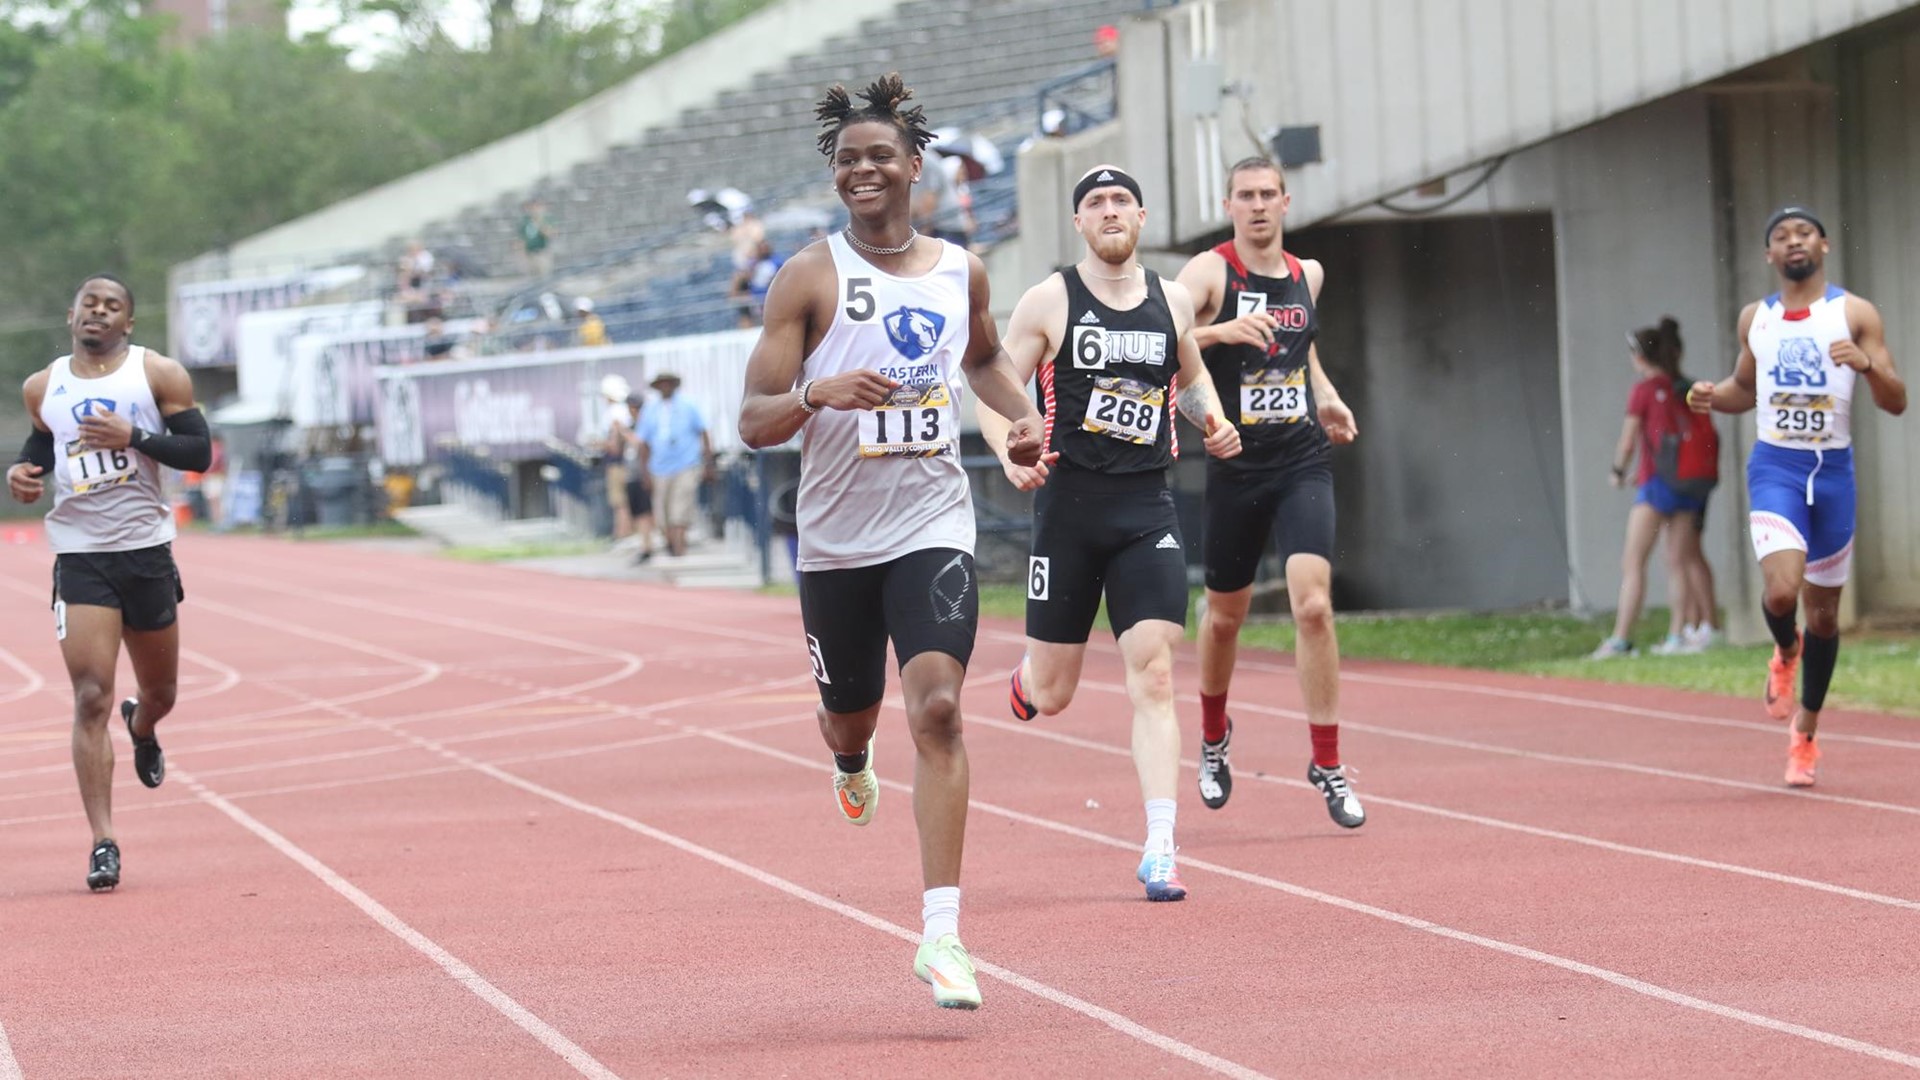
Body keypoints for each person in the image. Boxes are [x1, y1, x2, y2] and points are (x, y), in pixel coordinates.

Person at [736, 73, 1044, 1009]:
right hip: (836, 540)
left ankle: (942, 937)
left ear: (915, 167)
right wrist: (813, 394)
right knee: (852, 717)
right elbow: (752, 420)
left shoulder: (962, 271)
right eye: (846, 160)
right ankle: (847, 757)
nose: (861, 170)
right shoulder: (808, 277)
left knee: (940, 710)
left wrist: (1022, 418)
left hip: (931, 523)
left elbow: (983, 358)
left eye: (878, 156)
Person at [980, 163, 1241, 902]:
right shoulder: (1050, 299)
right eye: (1095, 202)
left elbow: (1189, 379)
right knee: (1054, 693)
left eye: (1121, 199)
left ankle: (1160, 846)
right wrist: (1010, 451)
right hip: (1068, 512)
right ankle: (1029, 677)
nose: (1109, 210)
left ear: (1142, 216)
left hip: (1146, 510)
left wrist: (1215, 422)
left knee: (1154, 674)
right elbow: (992, 388)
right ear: (1079, 222)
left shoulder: (1173, 299)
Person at [1172, 157, 1364, 828]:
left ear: (1286, 202)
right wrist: (1220, 332)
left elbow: (1301, 347)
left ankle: (1327, 761)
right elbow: (1159, 334)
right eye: (1245, 196)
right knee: (1226, 617)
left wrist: (1327, 395)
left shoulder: (1308, 274)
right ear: (1228, 205)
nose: (1257, 205)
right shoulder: (1209, 273)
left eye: (1267, 195)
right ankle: (1214, 737)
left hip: (1301, 458)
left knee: (1313, 606)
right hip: (1236, 464)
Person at [6, 274, 213, 891]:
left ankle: (143, 726)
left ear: (128, 322)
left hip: (145, 551)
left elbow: (198, 452)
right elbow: (42, 445)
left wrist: (136, 437)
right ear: (72, 316)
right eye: (89, 304)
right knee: (91, 695)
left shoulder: (157, 374)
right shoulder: (42, 386)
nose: (99, 312)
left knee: (161, 693)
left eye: (112, 306)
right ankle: (103, 841)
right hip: (81, 555)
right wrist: (23, 473)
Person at [1688, 206, 1906, 787]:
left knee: (1825, 616)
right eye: (1781, 237)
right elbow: (1744, 388)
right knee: (1783, 591)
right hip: (1777, 467)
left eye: (1803, 233)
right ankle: (1785, 651)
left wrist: (1867, 366)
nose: (1793, 242)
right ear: (1769, 255)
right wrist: (1711, 395)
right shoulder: (1756, 319)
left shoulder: (1853, 313)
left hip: (1833, 473)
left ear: (1823, 245)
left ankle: (1804, 733)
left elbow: (1896, 400)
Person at [1591, 317, 1719, 659]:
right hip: (1686, 484)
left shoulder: (1644, 390)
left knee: (1634, 561)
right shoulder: (1683, 387)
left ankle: (1621, 639)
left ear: (1639, 356)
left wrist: (1617, 472)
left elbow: (1628, 441)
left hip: (1655, 485)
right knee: (1677, 561)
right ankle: (1677, 635)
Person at [635, 371, 713, 558]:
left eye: (668, 383)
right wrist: (644, 473)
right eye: (661, 384)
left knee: (680, 510)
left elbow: (704, 432)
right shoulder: (650, 410)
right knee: (663, 515)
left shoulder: (688, 405)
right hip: (659, 468)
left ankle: (679, 549)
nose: (665, 387)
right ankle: (671, 544)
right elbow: (643, 443)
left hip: (686, 464)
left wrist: (708, 464)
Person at [596, 373, 635, 544]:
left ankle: (622, 534)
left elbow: (615, 445)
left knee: (619, 501)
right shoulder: (626, 410)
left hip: (617, 463)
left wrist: (598, 444)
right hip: (629, 462)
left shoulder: (614, 414)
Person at [619, 392, 656, 563]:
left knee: (646, 512)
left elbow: (641, 444)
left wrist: (624, 432)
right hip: (632, 474)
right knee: (638, 513)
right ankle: (645, 544)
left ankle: (649, 545)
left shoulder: (648, 424)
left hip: (645, 473)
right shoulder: (632, 425)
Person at [519, 200, 554, 279]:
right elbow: (521, 239)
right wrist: (522, 255)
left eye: (536, 207)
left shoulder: (545, 220)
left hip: (542, 252)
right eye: (532, 208)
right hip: (529, 254)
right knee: (532, 278)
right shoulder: (525, 221)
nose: (534, 210)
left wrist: (538, 222)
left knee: (544, 276)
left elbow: (549, 234)